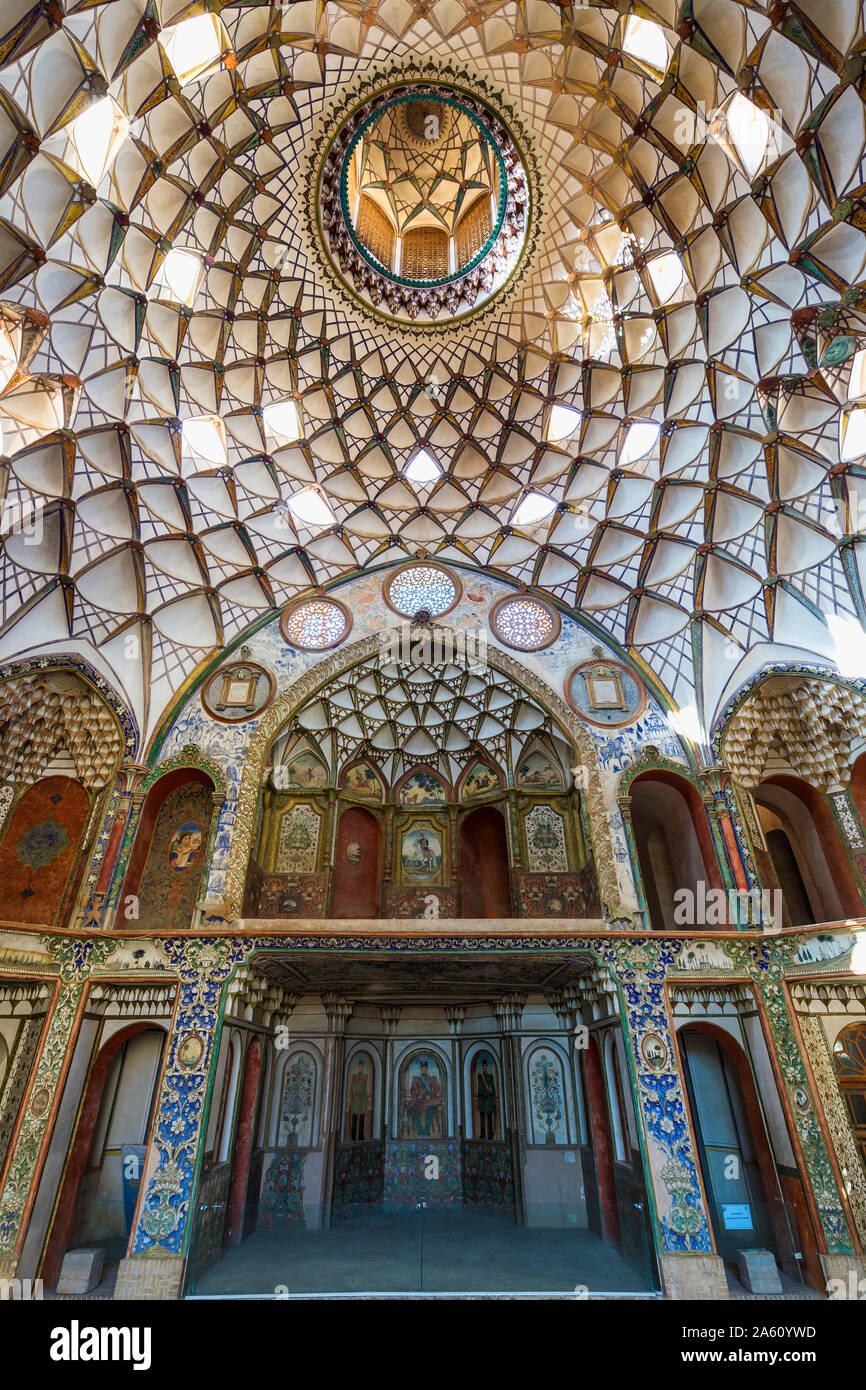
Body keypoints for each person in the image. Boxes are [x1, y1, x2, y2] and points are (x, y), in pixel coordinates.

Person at [347, 1057, 370, 1141]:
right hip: (355, 1101)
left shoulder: (365, 1077)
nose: (360, 1068)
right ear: (358, 1067)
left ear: (363, 1067)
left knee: (361, 1120)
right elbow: (351, 1088)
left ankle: (360, 1136)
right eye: (359, 1066)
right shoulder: (354, 1076)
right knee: (354, 1119)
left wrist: (365, 1101)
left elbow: (365, 1090)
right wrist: (349, 1099)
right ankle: (353, 1137)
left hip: (362, 1101)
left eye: (362, 1066)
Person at [476, 1055, 497, 1140]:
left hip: (488, 1100)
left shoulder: (490, 1076)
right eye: (483, 1066)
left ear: (486, 1066)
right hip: (482, 1099)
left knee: (489, 1118)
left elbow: (493, 1086)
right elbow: (479, 1087)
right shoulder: (480, 1076)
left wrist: (493, 1094)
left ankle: (490, 1135)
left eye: (485, 1065)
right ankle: (483, 1135)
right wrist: (480, 1094)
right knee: (482, 1119)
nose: (484, 1067)